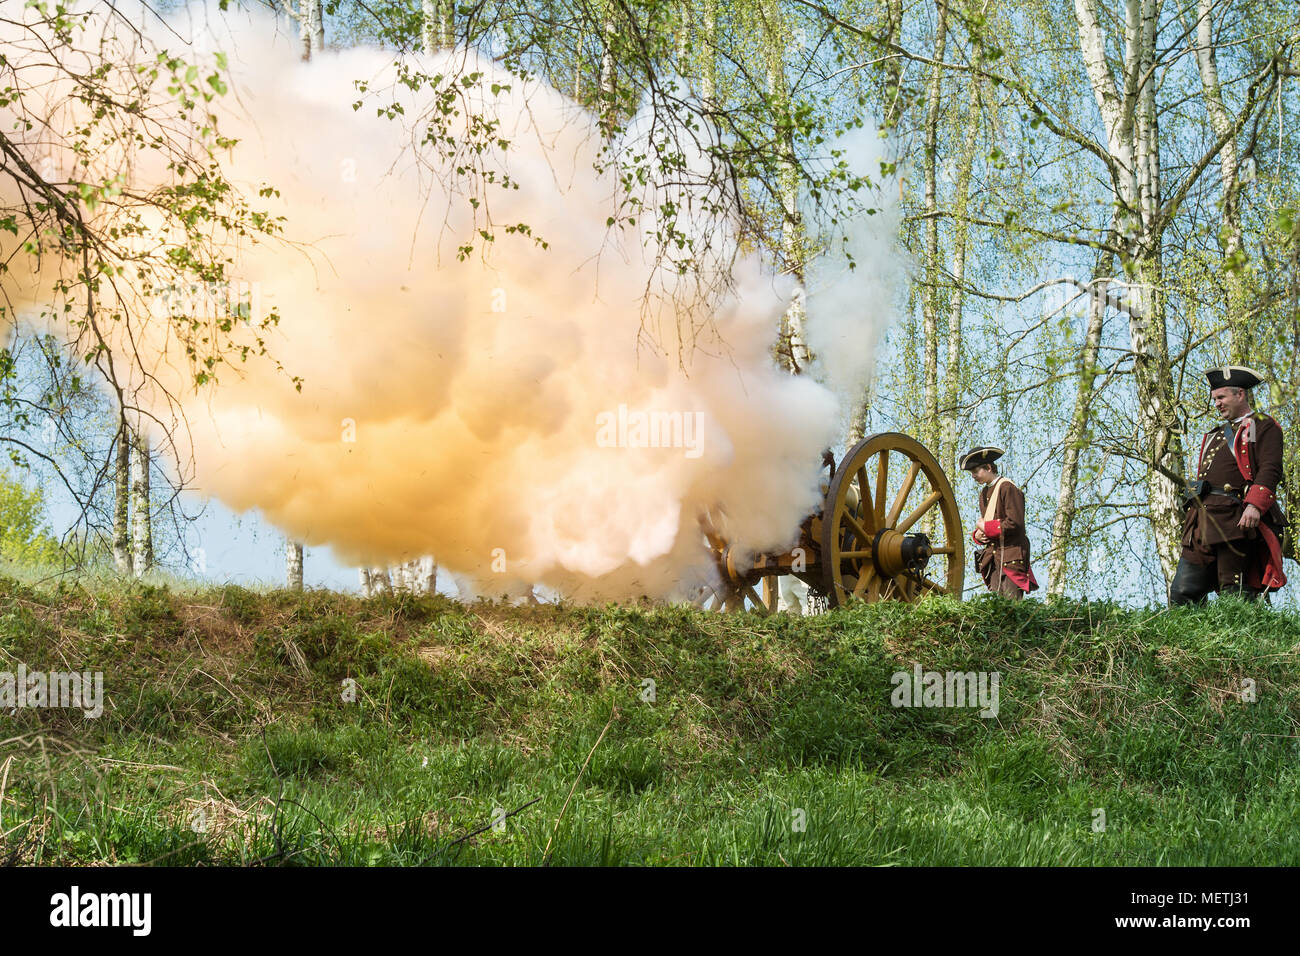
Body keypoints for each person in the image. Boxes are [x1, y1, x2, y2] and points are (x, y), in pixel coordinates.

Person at [1169, 366, 1287, 605]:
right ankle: (1191, 641)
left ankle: (1242, 640)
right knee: (1183, 591)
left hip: (1235, 520)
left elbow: (1270, 467)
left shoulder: (1258, 425)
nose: (1217, 404)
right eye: (1214, 399)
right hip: (1201, 520)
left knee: (1234, 593)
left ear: (1240, 394)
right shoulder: (1216, 433)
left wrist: (1254, 505)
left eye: (1221, 398)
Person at [961, 446, 1038, 600]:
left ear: (989, 467)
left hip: (1011, 557)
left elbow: (1014, 523)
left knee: (1012, 609)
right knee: (997, 611)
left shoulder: (1007, 487)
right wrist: (979, 534)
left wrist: (985, 527)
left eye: (976, 471)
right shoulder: (983, 494)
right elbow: (988, 524)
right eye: (972, 473)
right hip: (994, 560)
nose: (974, 476)